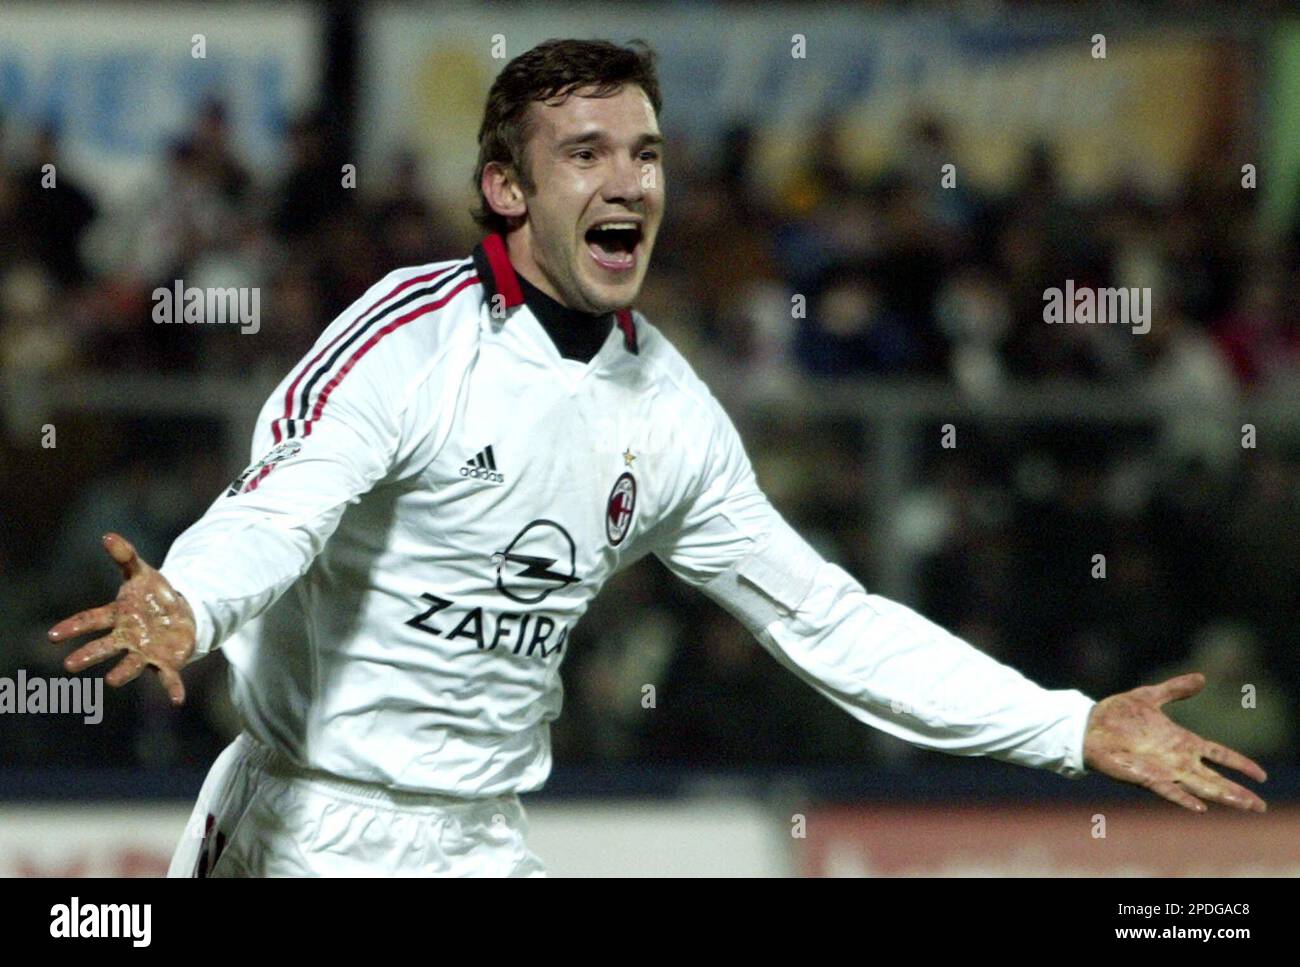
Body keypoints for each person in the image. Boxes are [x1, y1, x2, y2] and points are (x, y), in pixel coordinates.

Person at [49, 39, 1267, 878]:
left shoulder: (670, 414)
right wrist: (194, 599)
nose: (627, 179)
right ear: (504, 187)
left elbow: (828, 623)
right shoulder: (409, 343)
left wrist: (1064, 728)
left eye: (644, 152)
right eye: (584, 152)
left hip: (477, 838)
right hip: (302, 826)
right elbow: (282, 509)